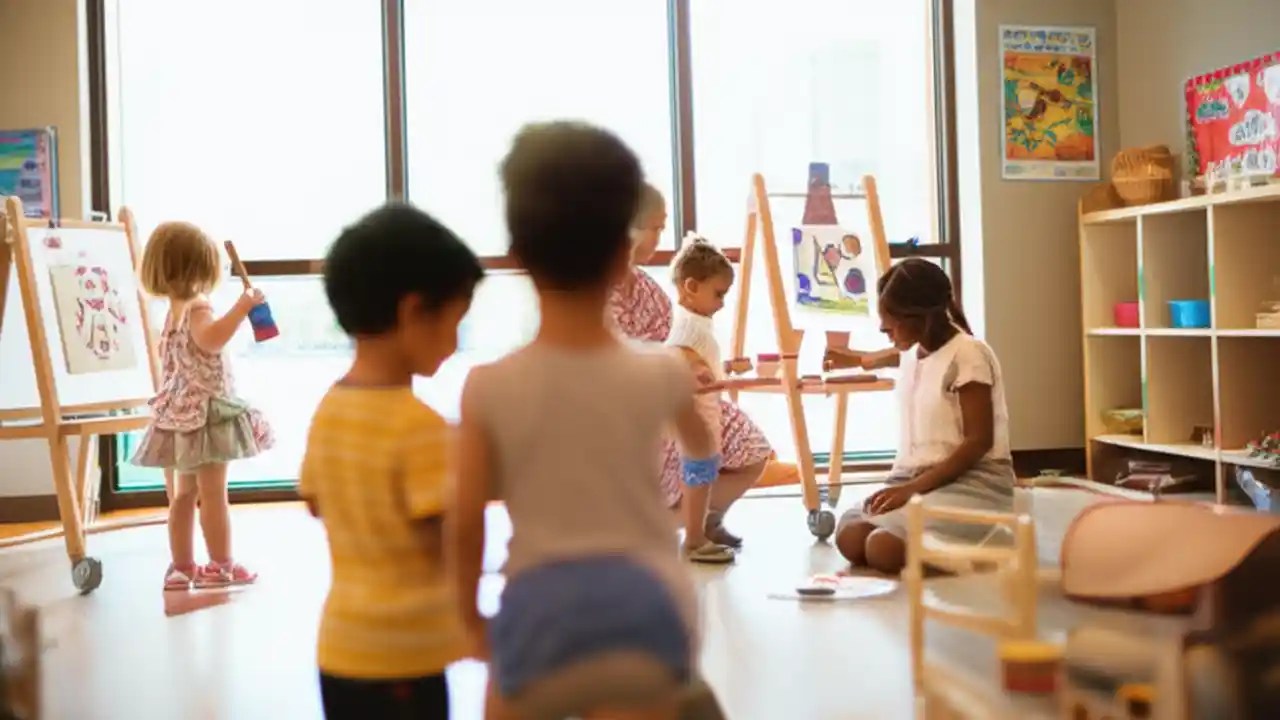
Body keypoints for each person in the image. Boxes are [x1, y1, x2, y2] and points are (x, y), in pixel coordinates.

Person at [451, 121, 718, 720]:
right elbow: (702, 452)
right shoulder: (662, 373)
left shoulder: (487, 386)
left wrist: (471, 621)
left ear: (518, 258)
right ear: (625, 257)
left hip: (540, 608)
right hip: (648, 603)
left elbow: (465, 523)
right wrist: (696, 481)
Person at [298, 204, 484, 719]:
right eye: (454, 324)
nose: (453, 343)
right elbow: (444, 532)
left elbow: (316, 501)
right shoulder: (418, 424)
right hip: (402, 655)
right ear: (413, 312)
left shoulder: (328, 409)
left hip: (340, 647)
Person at [608, 185, 772, 554]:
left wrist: (691, 372)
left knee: (745, 448)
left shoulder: (646, 288)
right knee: (691, 448)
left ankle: (695, 526)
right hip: (632, 412)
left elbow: (666, 351)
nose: (659, 237)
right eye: (656, 227)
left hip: (673, 399)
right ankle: (680, 531)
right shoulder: (599, 288)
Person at [826, 258, 1014, 575]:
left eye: (892, 319)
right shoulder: (912, 353)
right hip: (914, 479)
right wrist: (851, 359)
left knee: (882, 548)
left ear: (922, 317)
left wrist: (911, 491)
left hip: (972, 485)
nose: (883, 327)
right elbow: (881, 358)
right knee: (850, 537)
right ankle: (938, 538)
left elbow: (979, 441)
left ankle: (978, 545)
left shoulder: (969, 354)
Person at [134, 222, 274, 591]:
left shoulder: (173, 309)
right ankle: (220, 565)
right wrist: (243, 307)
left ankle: (181, 567)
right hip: (206, 414)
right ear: (200, 268)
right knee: (214, 494)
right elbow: (210, 341)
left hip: (180, 414)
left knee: (182, 495)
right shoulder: (198, 307)